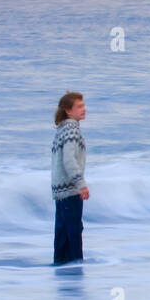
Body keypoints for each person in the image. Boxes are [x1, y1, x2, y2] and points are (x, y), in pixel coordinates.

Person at [51, 91, 89, 265]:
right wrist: (80, 184)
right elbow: (69, 160)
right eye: (79, 106)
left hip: (59, 191)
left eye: (83, 105)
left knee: (62, 234)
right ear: (68, 111)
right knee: (73, 234)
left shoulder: (61, 130)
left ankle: (61, 272)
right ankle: (75, 271)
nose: (84, 109)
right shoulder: (72, 129)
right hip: (69, 189)